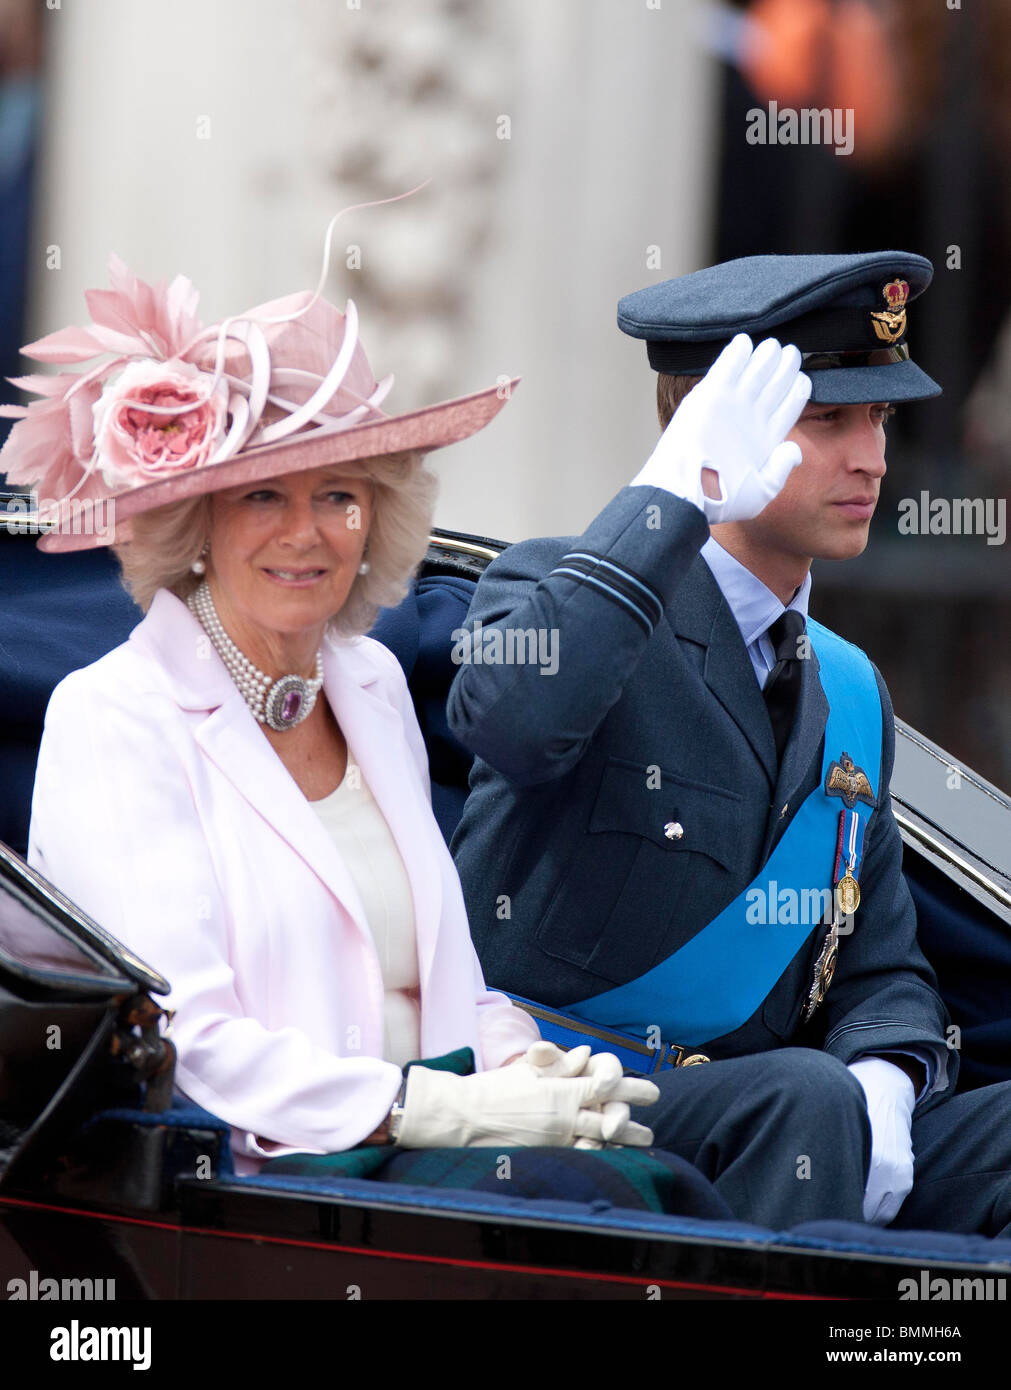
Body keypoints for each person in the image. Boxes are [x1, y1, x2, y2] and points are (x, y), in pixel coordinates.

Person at [8, 224, 661, 1187]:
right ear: (197, 524)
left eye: (340, 496)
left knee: (659, 1174)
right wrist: (446, 1109)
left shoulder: (369, 684)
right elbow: (185, 1038)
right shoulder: (114, 717)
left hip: (432, 1152)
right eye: (263, 495)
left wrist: (522, 1063)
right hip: (272, 1184)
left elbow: (446, 986)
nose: (306, 534)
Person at [447, 251, 1011, 1235]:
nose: (873, 459)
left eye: (879, 419)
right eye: (828, 420)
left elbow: (880, 962)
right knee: (801, 1098)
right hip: (559, 1103)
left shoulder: (848, 687)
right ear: (713, 422)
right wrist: (675, 495)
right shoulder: (569, 599)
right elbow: (513, 721)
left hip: (778, 1126)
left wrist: (884, 1075)